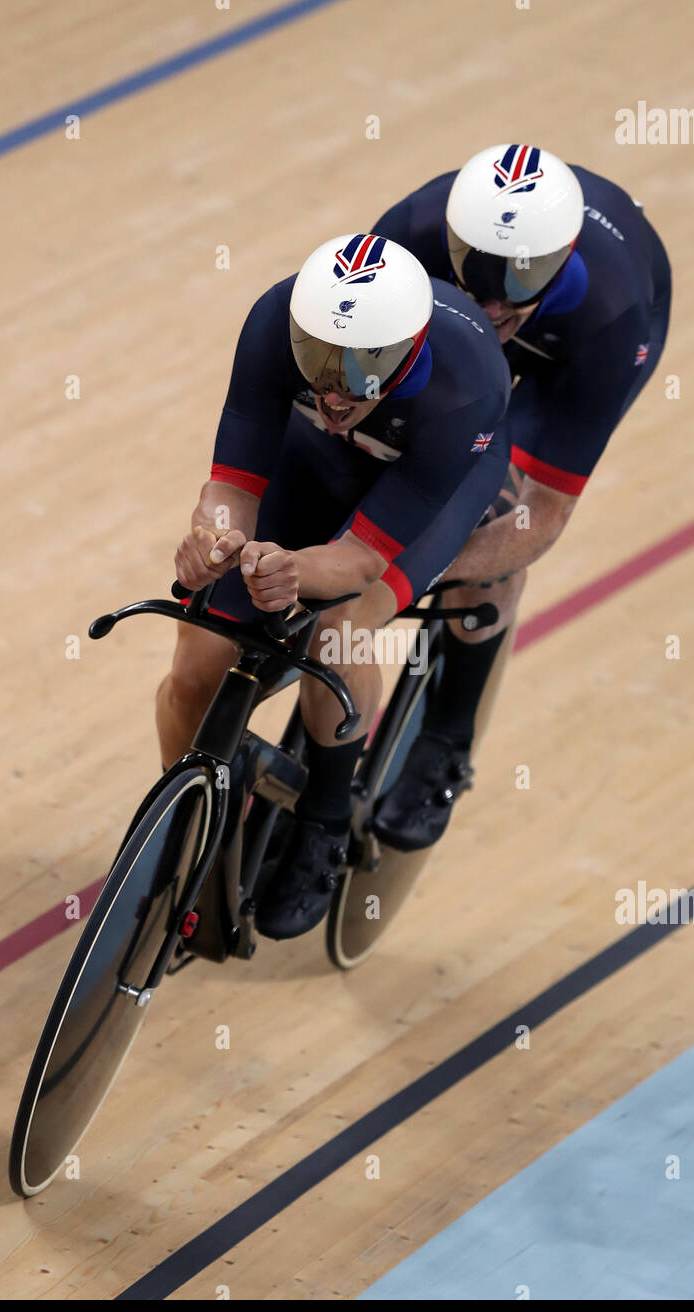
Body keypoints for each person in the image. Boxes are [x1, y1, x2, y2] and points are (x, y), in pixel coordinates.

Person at [156, 233, 513, 938]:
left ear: (407, 348)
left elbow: (358, 561)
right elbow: (231, 483)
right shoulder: (272, 320)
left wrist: (292, 570)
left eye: (360, 367)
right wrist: (216, 539)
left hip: (429, 486)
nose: (333, 385)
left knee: (338, 628)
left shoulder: (468, 383)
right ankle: (184, 840)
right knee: (195, 671)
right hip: (317, 458)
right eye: (318, 358)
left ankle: (325, 814)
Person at [368, 144, 673, 850]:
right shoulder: (405, 238)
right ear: (449, 241)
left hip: (565, 357)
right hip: (451, 331)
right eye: (479, 275)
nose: (495, 302)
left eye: (520, 283)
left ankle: (447, 736)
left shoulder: (611, 311)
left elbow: (546, 513)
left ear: (560, 261)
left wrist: (417, 569)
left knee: (503, 514)